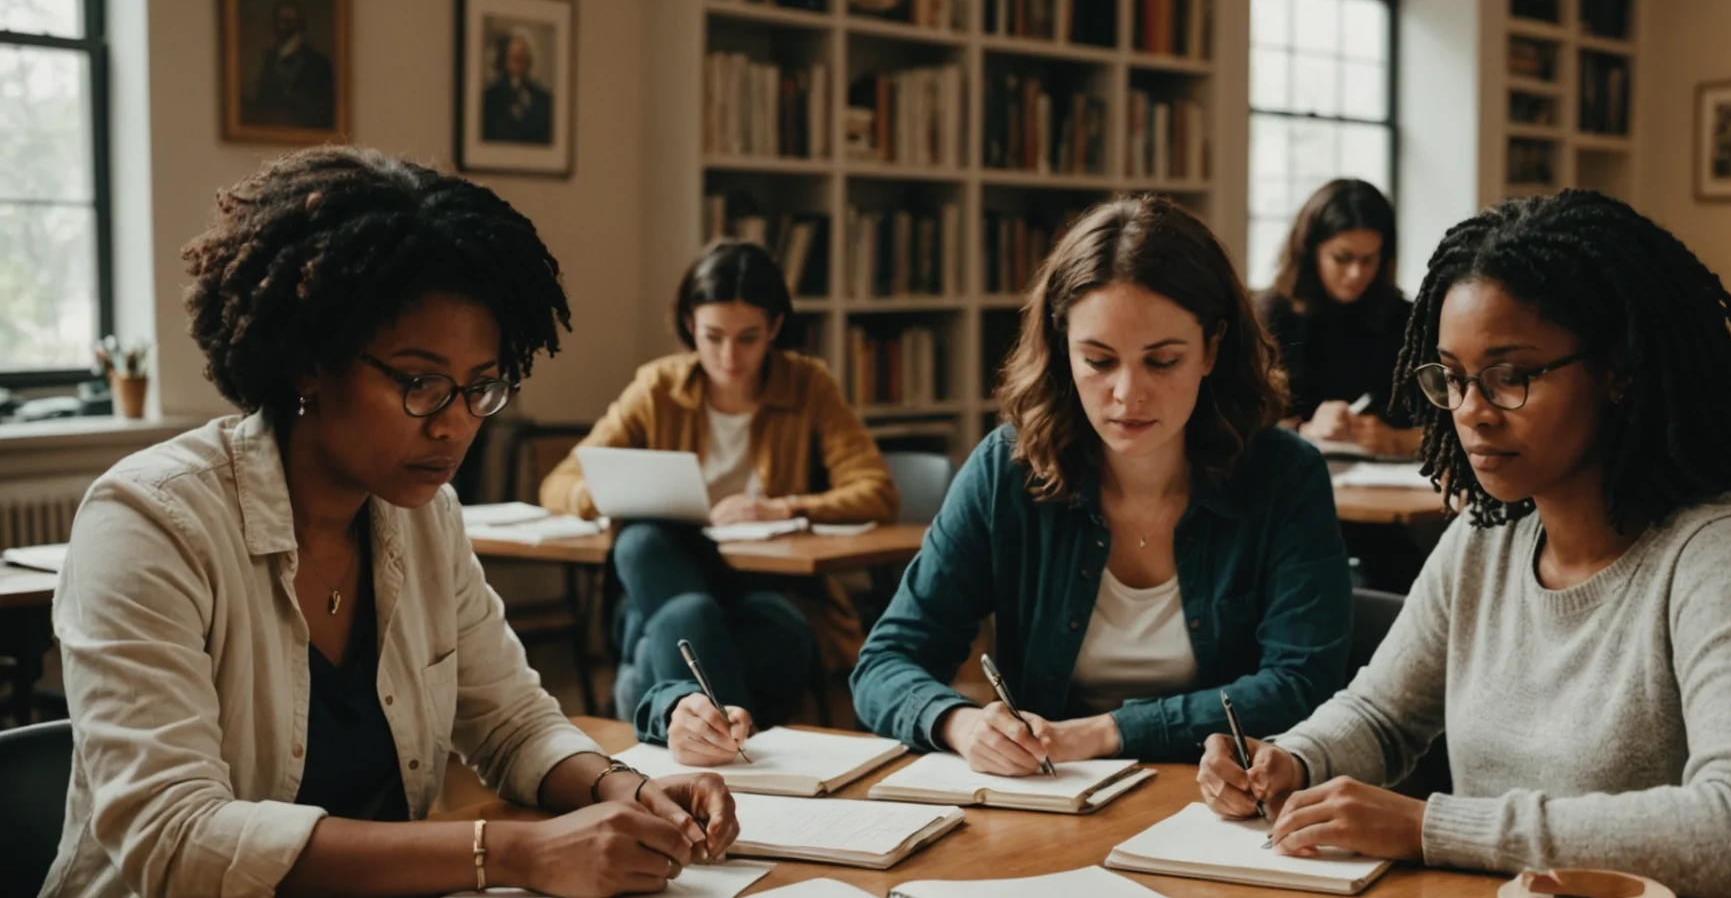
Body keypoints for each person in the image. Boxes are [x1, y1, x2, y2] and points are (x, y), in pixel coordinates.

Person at [0, 148, 739, 898]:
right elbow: (176, 840)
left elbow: (511, 722)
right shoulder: (150, 521)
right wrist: (511, 851)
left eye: (481, 387)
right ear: (311, 361)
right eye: (419, 382)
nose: (456, 422)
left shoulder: (420, 517)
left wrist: (617, 787)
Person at [1197, 189, 1731, 898]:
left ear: (1619, 369)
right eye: (1452, 378)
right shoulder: (1486, 536)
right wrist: (1293, 758)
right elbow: (1380, 714)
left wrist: (1434, 826)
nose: (1471, 411)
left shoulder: (1720, 553)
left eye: (1511, 376)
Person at [850, 195, 1353, 771]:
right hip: (1052, 801)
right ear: (1064, 349)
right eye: (1098, 360)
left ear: (1212, 348)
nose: (1127, 394)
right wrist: (962, 725)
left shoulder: (1286, 477)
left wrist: (1107, 733)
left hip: (1224, 800)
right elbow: (885, 663)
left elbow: (1301, 684)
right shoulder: (1006, 470)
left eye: (1162, 361)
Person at [541, 240, 897, 764]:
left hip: (772, 594)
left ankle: (659, 714)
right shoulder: (659, 386)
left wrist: (783, 507)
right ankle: (736, 757)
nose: (730, 356)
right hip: (676, 576)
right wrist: (613, 495)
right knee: (644, 546)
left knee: (654, 645)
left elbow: (876, 491)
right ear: (690, 324)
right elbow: (560, 482)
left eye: (748, 338)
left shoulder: (807, 385)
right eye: (713, 337)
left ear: (774, 327)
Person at [1258, 178, 1419, 458]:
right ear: (1311, 253)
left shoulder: (1407, 320)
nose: (1356, 273)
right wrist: (1304, 430)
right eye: (1342, 258)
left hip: (1389, 483)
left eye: (1368, 259)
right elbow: (1245, 425)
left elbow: (1447, 423)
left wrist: (1396, 439)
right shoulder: (1271, 316)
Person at [251, 0, 336, 129]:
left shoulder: (317, 62)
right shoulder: (270, 58)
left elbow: (321, 109)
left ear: (299, 24)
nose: (282, 26)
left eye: (288, 21)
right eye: (279, 20)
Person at [481, 30, 554, 144]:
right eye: (513, 58)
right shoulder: (490, 96)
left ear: (528, 60)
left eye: (521, 58)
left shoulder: (542, 98)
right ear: (505, 59)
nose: (517, 63)